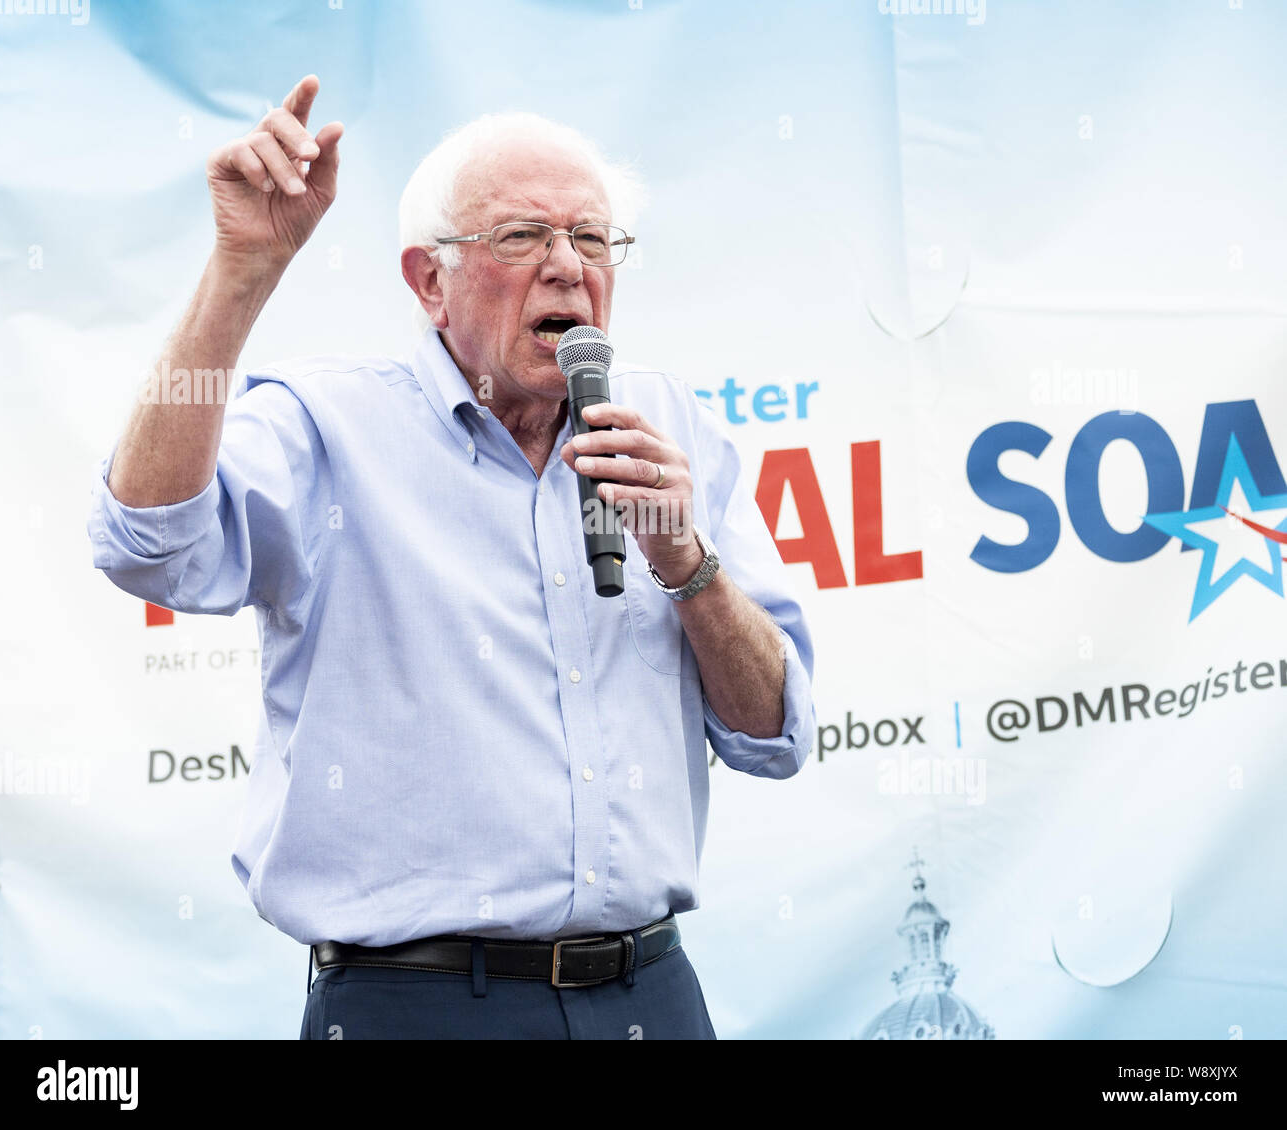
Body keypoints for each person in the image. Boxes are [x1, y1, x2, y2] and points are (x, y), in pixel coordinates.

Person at [87, 75, 817, 1040]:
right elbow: (146, 542)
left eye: (592, 239)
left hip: (651, 996)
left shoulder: (672, 426)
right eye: (521, 237)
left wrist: (688, 564)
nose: (567, 267)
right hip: (418, 1004)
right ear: (430, 280)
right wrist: (238, 273)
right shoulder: (327, 428)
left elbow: (775, 734)